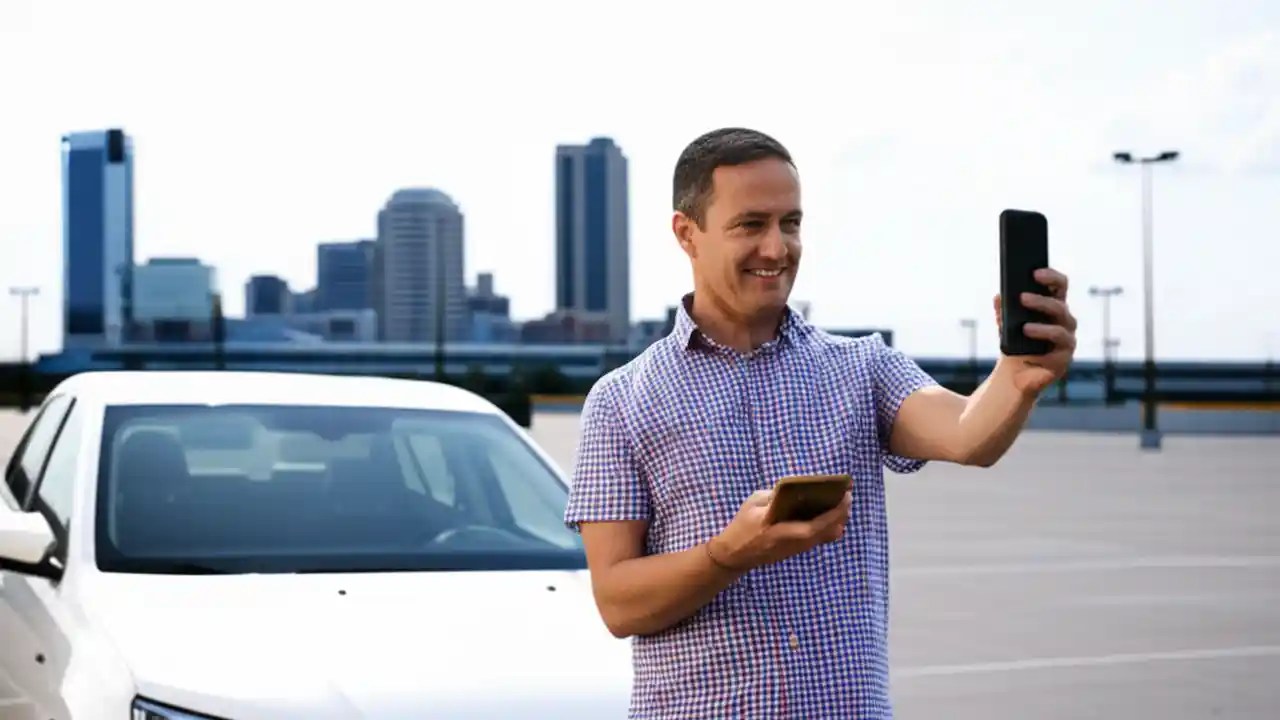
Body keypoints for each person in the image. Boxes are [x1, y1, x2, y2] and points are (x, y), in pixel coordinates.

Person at [564, 127, 1078, 719]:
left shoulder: (862, 369)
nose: (778, 248)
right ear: (687, 234)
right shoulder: (622, 400)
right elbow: (619, 603)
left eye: (791, 223)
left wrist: (1017, 374)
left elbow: (967, 433)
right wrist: (729, 553)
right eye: (750, 225)